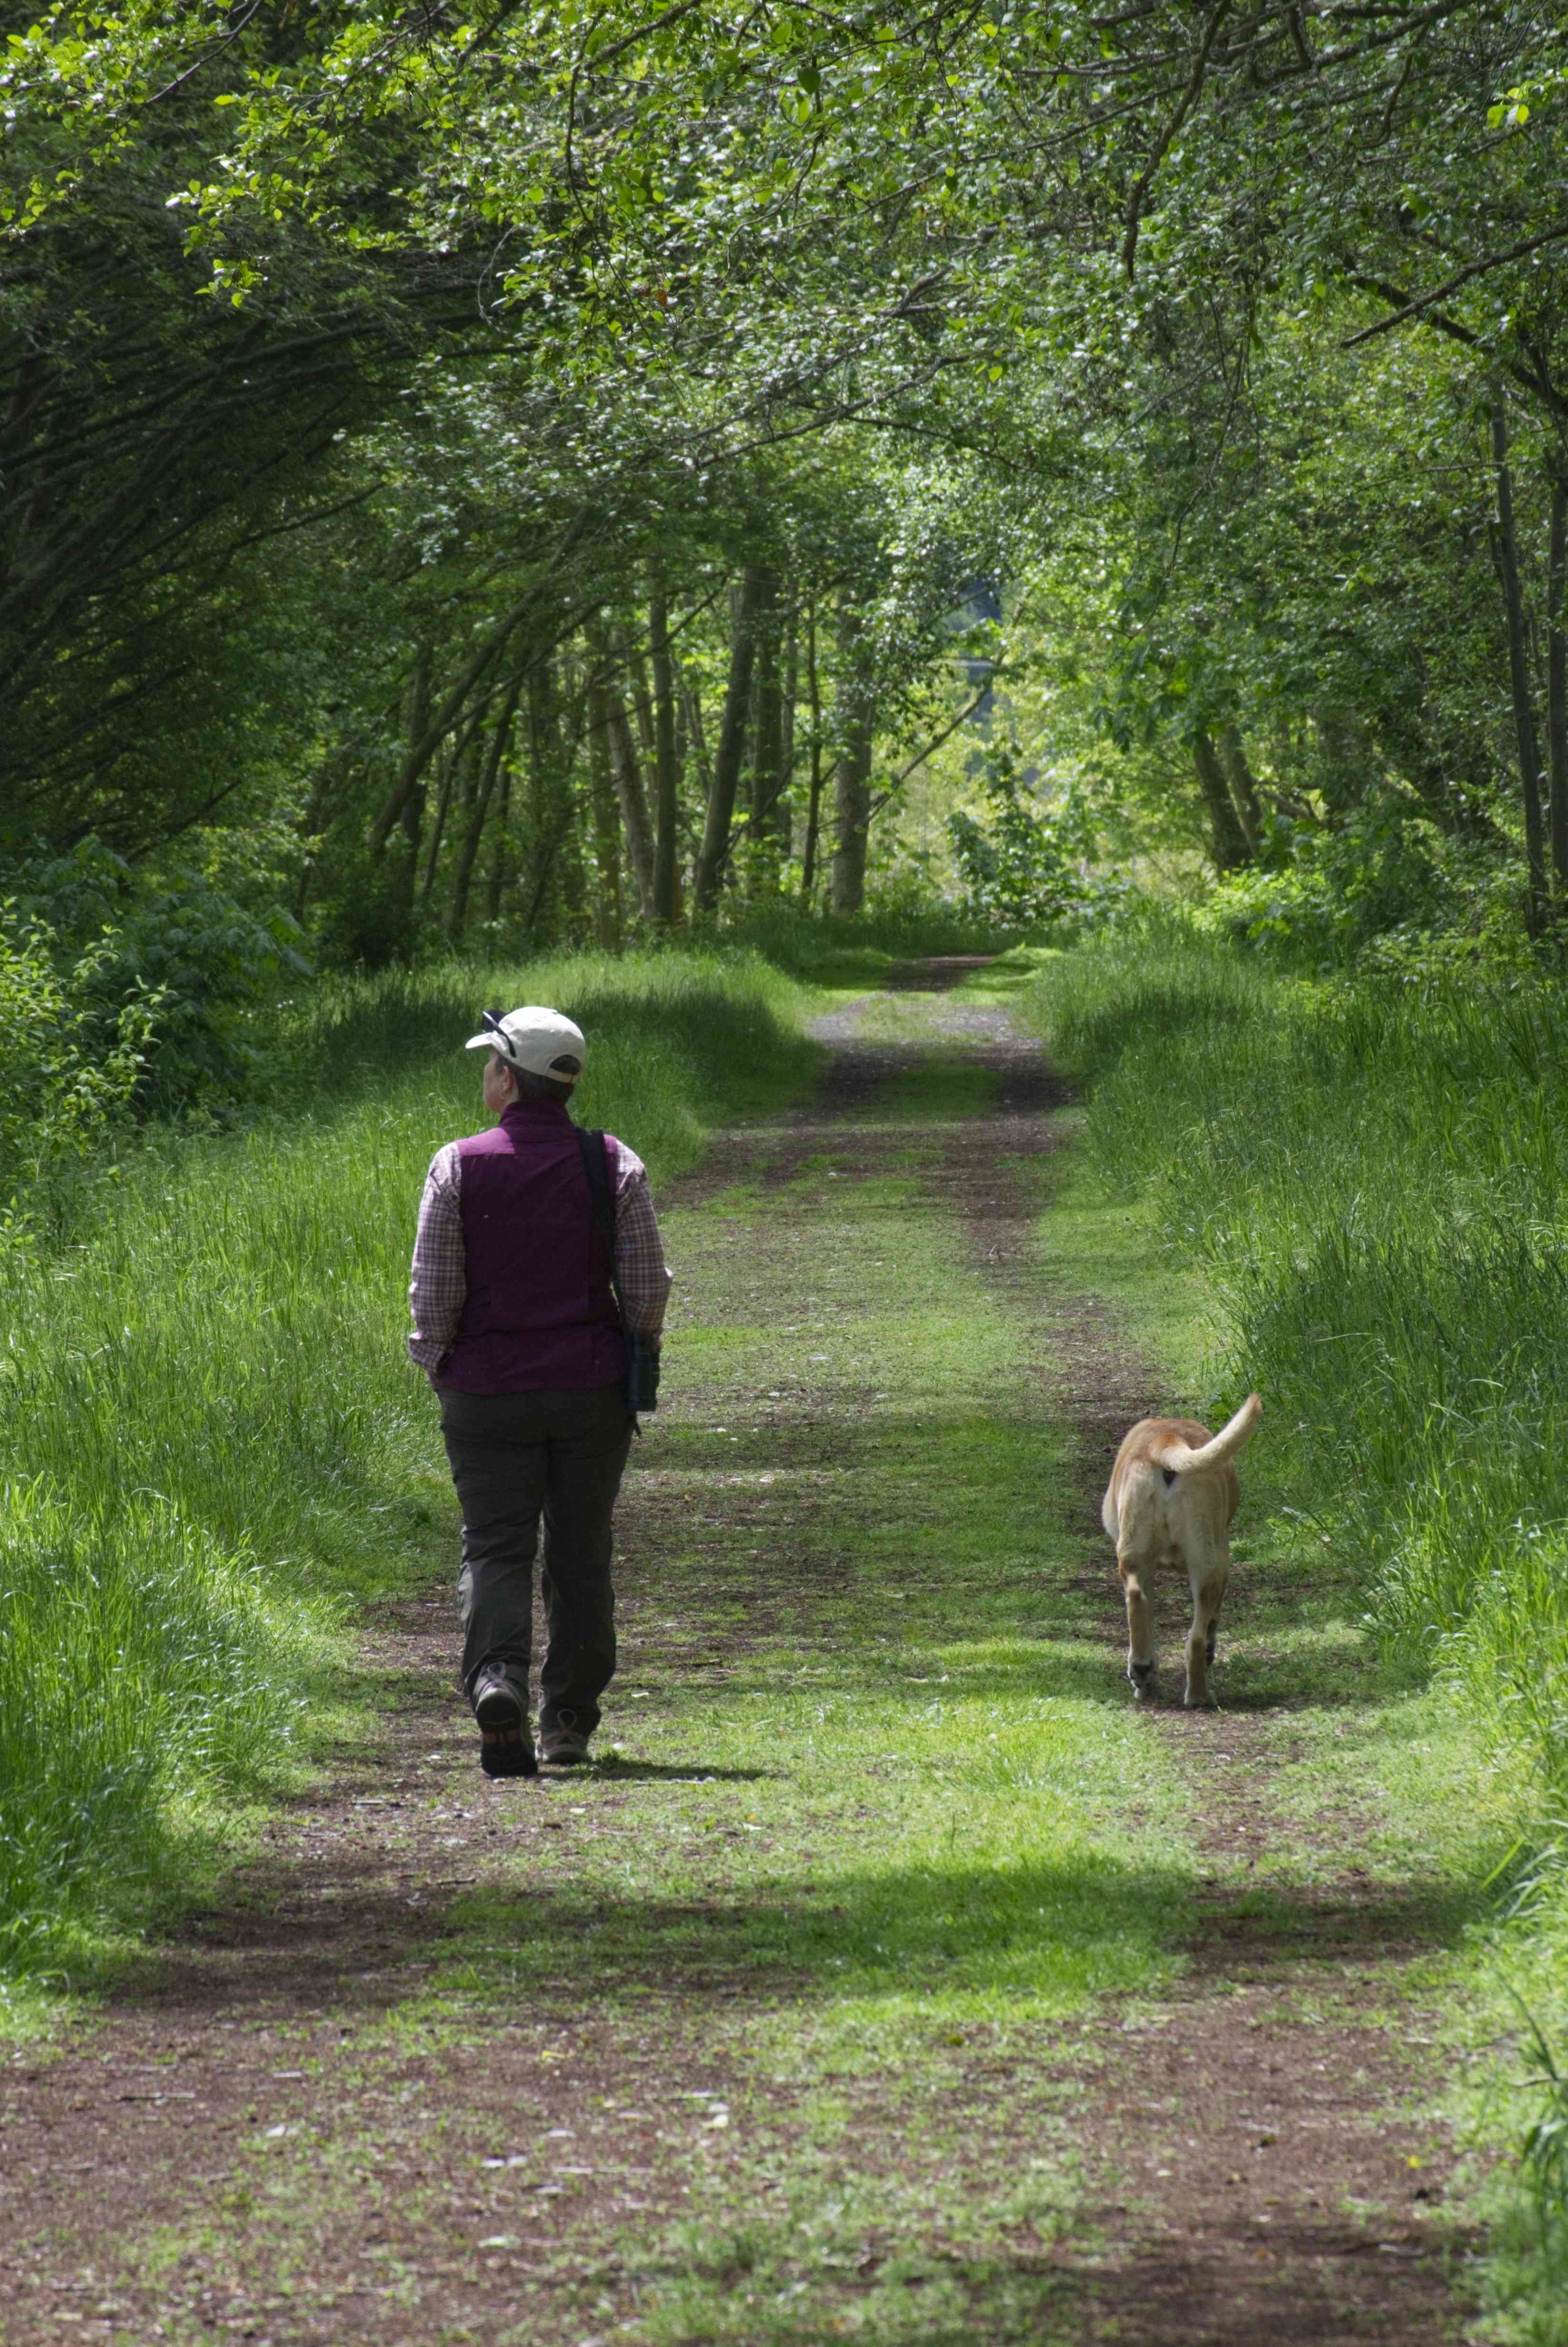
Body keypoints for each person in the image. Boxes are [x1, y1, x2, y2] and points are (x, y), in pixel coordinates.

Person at [407, 1004, 672, 1778]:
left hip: (486, 1395)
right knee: (582, 1550)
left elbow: (433, 1297)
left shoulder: (456, 1165)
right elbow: (648, 1288)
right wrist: (635, 1354)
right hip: (592, 1392)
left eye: (490, 1063)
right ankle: (567, 1723)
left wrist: (442, 1367)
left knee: (495, 1545)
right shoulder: (613, 1163)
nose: (484, 1074)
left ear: (509, 1078)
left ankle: (498, 1684)